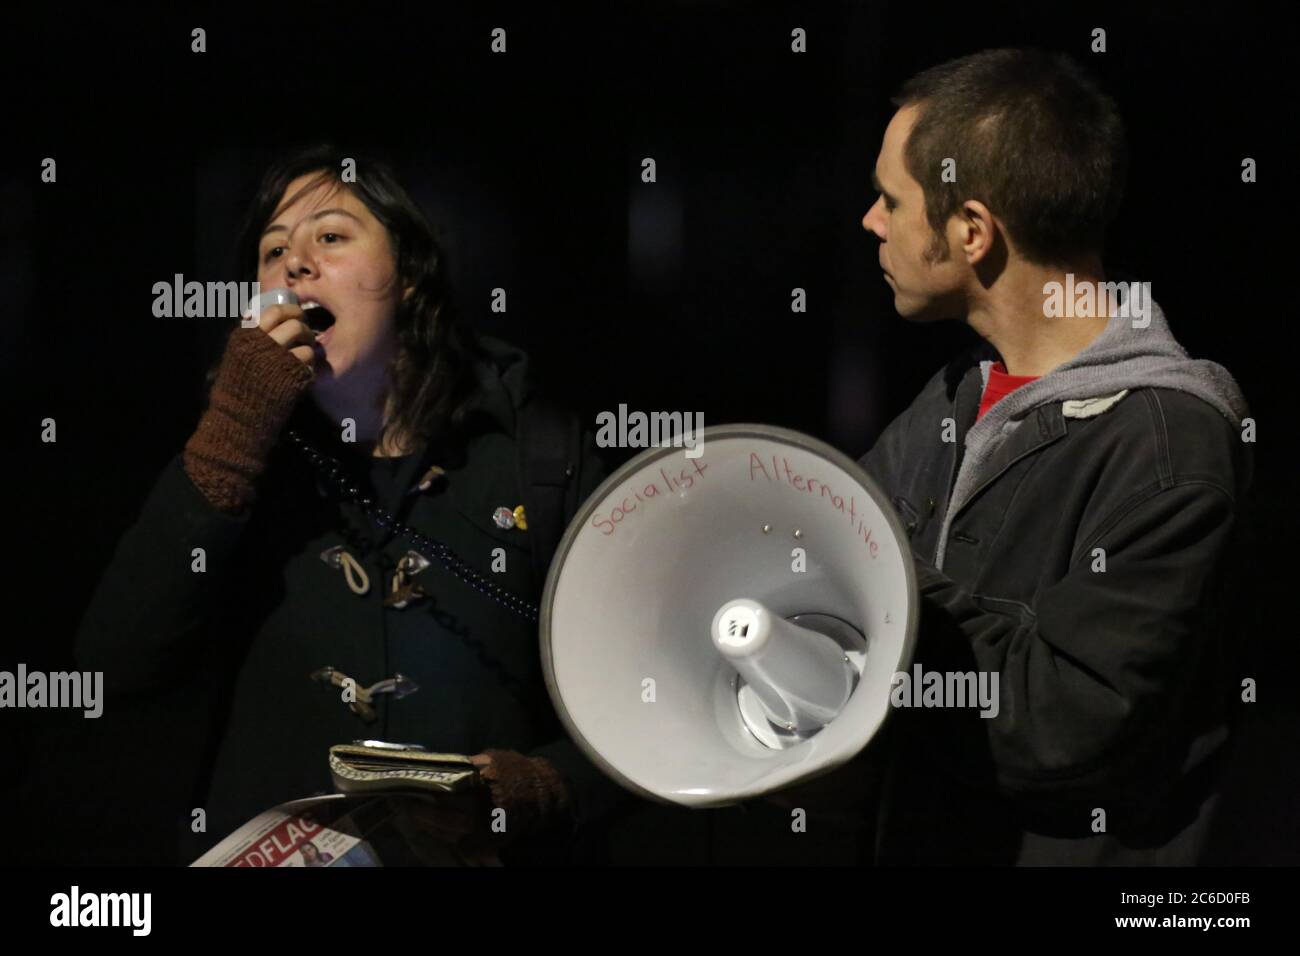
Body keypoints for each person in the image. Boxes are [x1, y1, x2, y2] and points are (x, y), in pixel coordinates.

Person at [73, 144, 622, 863]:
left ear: (411, 279)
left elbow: (644, 700)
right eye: (273, 252)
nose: (295, 265)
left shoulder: (537, 456)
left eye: (330, 237)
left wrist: (549, 787)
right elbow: (115, 666)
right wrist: (233, 432)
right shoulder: (241, 456)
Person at [854, 49, 1254, 864]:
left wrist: (870, 581)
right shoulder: (958, 392)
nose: (872, 220)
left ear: (972, 232)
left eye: (892, 200)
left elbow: (1060, 728)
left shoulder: (1169, 444)